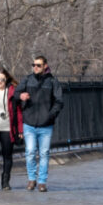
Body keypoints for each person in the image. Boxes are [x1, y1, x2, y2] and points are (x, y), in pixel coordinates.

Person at [16, 54, 64, 191]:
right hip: (29, 123)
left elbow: (59, 101)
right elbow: (15, 94)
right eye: (33, 65)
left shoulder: (53, 82)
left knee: (44, 153)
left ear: (45, 66)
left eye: (38, 65)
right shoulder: (27, 80)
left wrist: (50, 115)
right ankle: (32, 179)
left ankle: (42, 181)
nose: (35, 67)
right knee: (30, 152)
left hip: (46, 125)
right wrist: (20, 96)